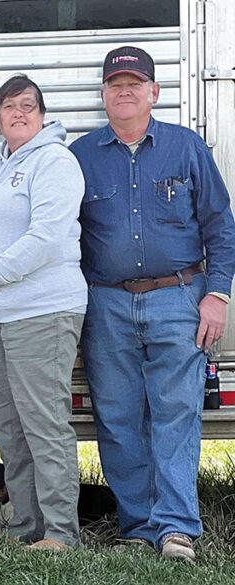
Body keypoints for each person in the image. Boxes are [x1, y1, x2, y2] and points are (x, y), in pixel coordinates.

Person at [70, 46, 235, 564]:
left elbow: (220, 226)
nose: (125, 91)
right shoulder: (79, 156)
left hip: (179, 298)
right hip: (107, 304)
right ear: (102, 94)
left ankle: (177, 527)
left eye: (134, 83)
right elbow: (61, 234)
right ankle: (138, 526)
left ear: (154, 92)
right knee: (117, 417)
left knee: (176, 413)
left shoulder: (186, 148)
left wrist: (217, 294)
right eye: (115, 83)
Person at [0, 75, 86, 551]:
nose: (19, 113)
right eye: (9, 106)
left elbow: (47, 237)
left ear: (43, 114)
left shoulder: (55, 161)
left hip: (42, 310)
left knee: (44, 424)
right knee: (9, 426)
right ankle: (25, 528)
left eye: (28, 105)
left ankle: (61, 534)